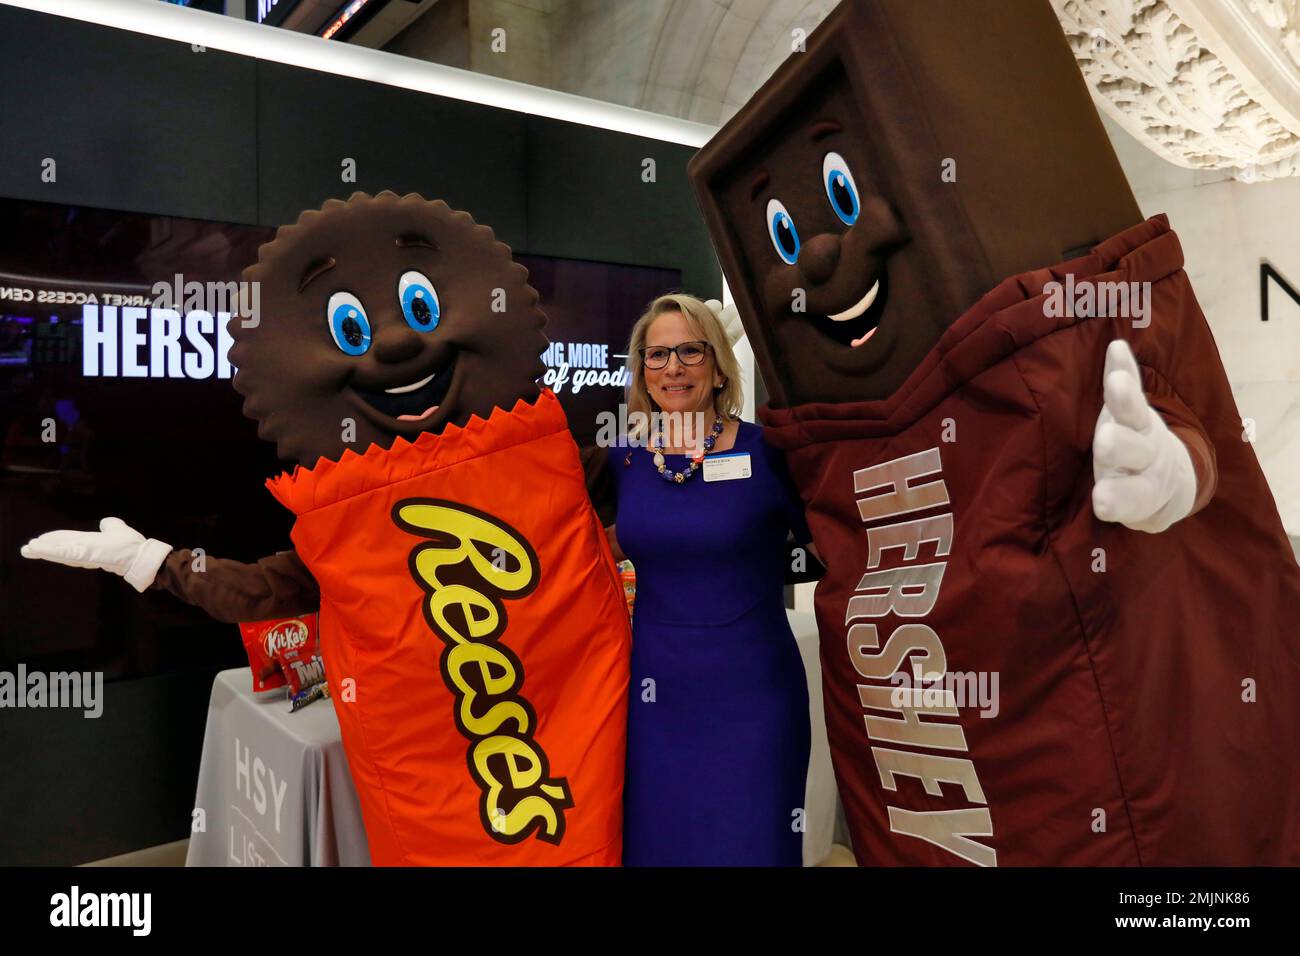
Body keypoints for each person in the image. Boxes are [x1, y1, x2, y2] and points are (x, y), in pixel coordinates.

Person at [608, 292, 813, 866]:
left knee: (752, 846)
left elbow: (834, 542)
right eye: (657, 356)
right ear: (643, 373)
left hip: (753, 700)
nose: (672, 368)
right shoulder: (622, 461)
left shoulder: (768, 451)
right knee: (660, 847)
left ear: (719, 367)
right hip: (657, 703)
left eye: (690, 352)